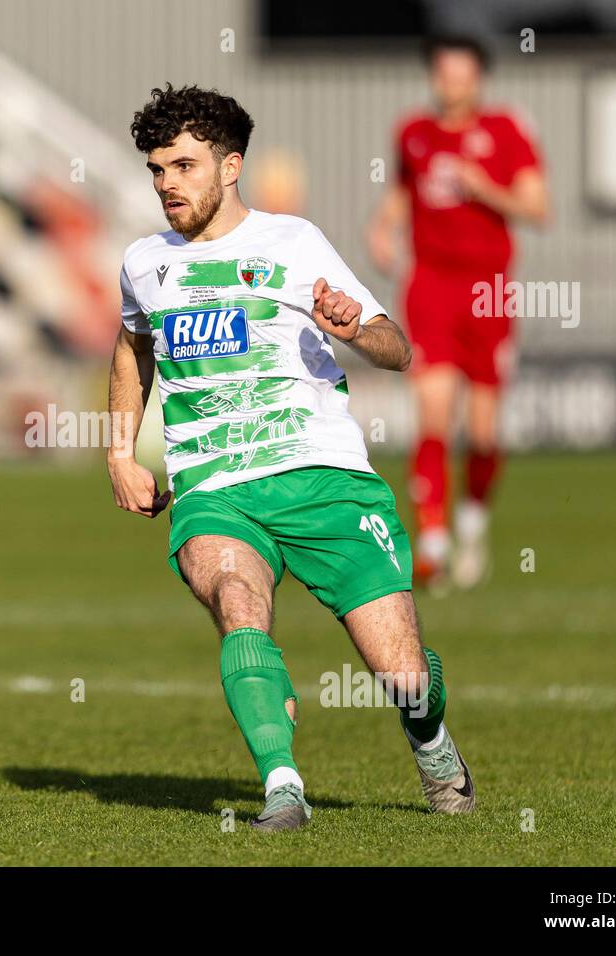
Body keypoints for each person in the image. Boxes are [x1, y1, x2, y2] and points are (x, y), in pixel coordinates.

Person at [106, 84, 474, 831]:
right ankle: (283, 787)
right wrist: (119, 450)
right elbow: (130, 347)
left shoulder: (294, 244)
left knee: (401, 674)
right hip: (216, 489)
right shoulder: (145, 263)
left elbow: (397, 349)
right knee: (238, 603)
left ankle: (431, 740)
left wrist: (352, 330)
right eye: (156, 170)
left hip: (323, 476)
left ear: (231, 165)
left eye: (183, 166)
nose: (167, 185)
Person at [367, 35, 550, 590]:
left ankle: (471, 523)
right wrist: (382, 227)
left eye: (463, 74)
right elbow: (403, 194)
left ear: (479, 79)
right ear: (433, 77)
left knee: (485, 429)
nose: (453, 83)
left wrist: (485, 188)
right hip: (431, 285)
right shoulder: (413, 134)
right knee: (433, 410)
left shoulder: (506, 131)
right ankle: (432, 542)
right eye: (444, 73)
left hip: (488, 289)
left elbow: (538, 208)